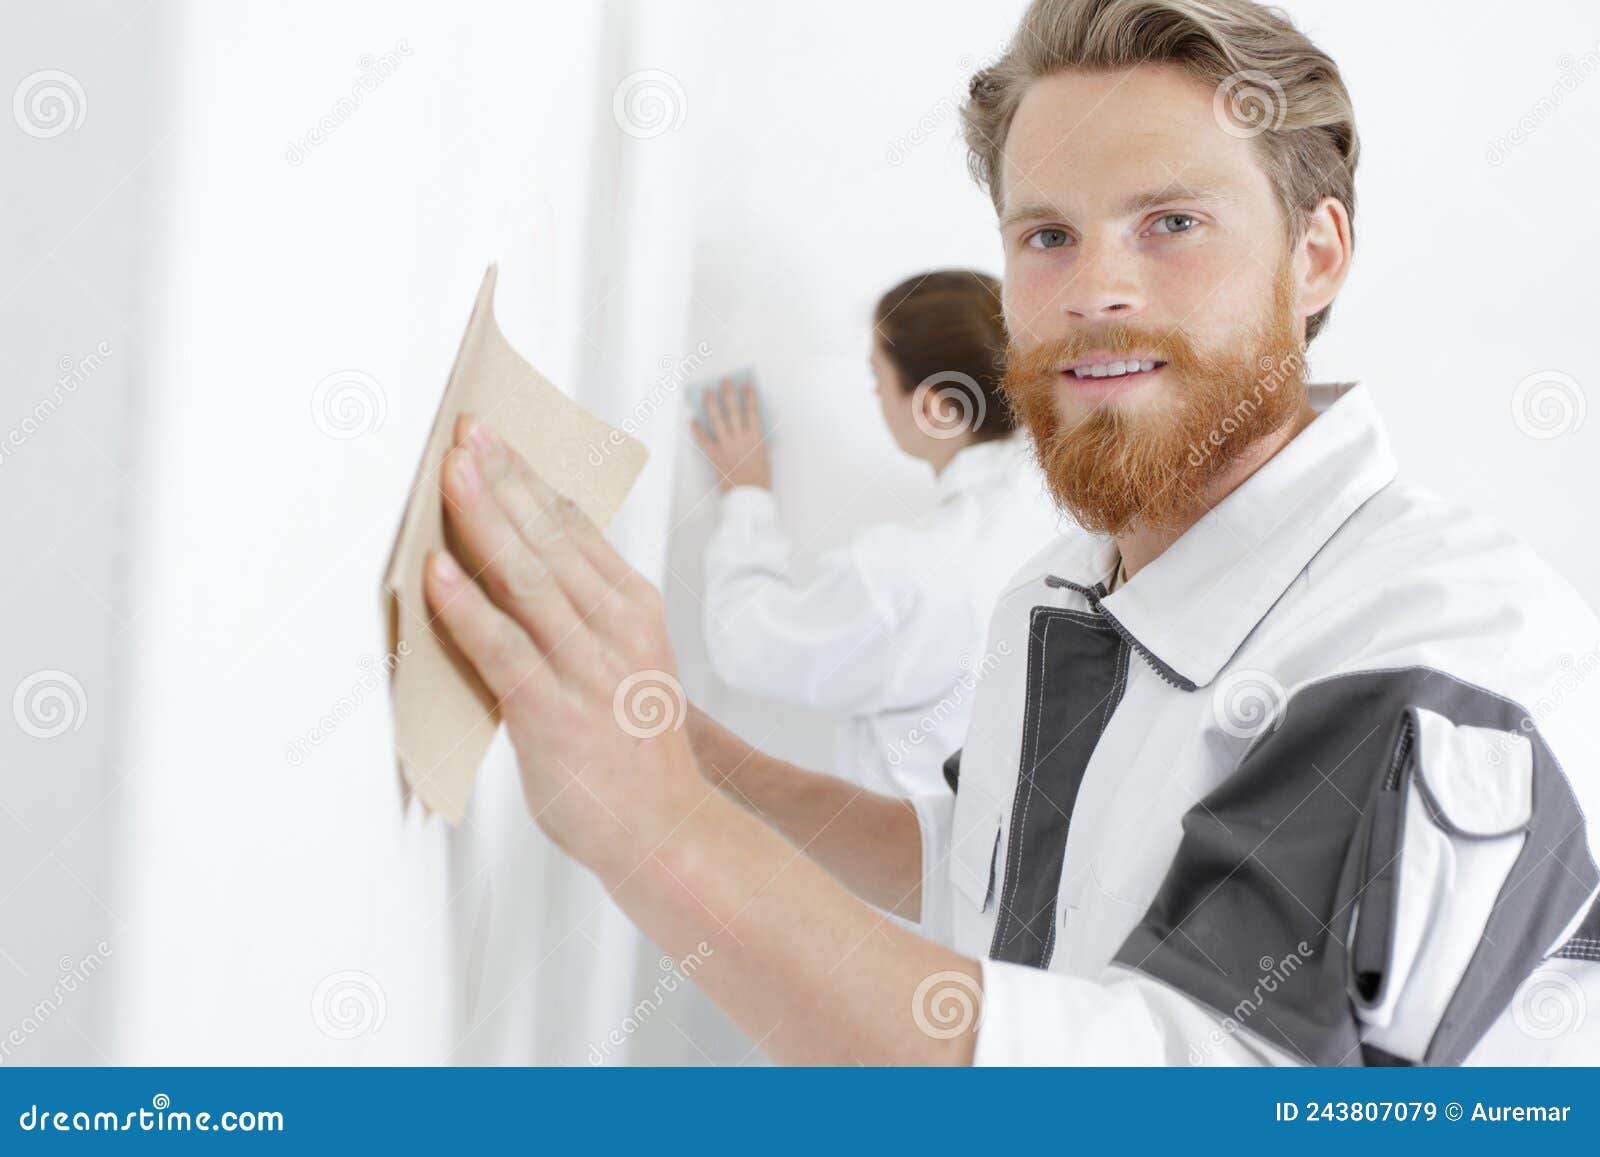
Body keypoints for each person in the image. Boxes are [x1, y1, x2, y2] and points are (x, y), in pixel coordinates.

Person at [420, 0, 1600, 1065]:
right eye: (1047, 235)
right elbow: (985, 864)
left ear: (1317, 254)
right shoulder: (1060, 588)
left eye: (1172, 222)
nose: (1096, 289)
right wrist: (682, 750)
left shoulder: (1448, 650)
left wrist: (654, 826)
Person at [690, 271, 1064, 798]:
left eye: (877, 379)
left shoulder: (908, 572)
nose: (875, 398)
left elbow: (746, 644)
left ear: (935, 407)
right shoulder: (1073, 518)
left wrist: (747, 497)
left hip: (916, 868)